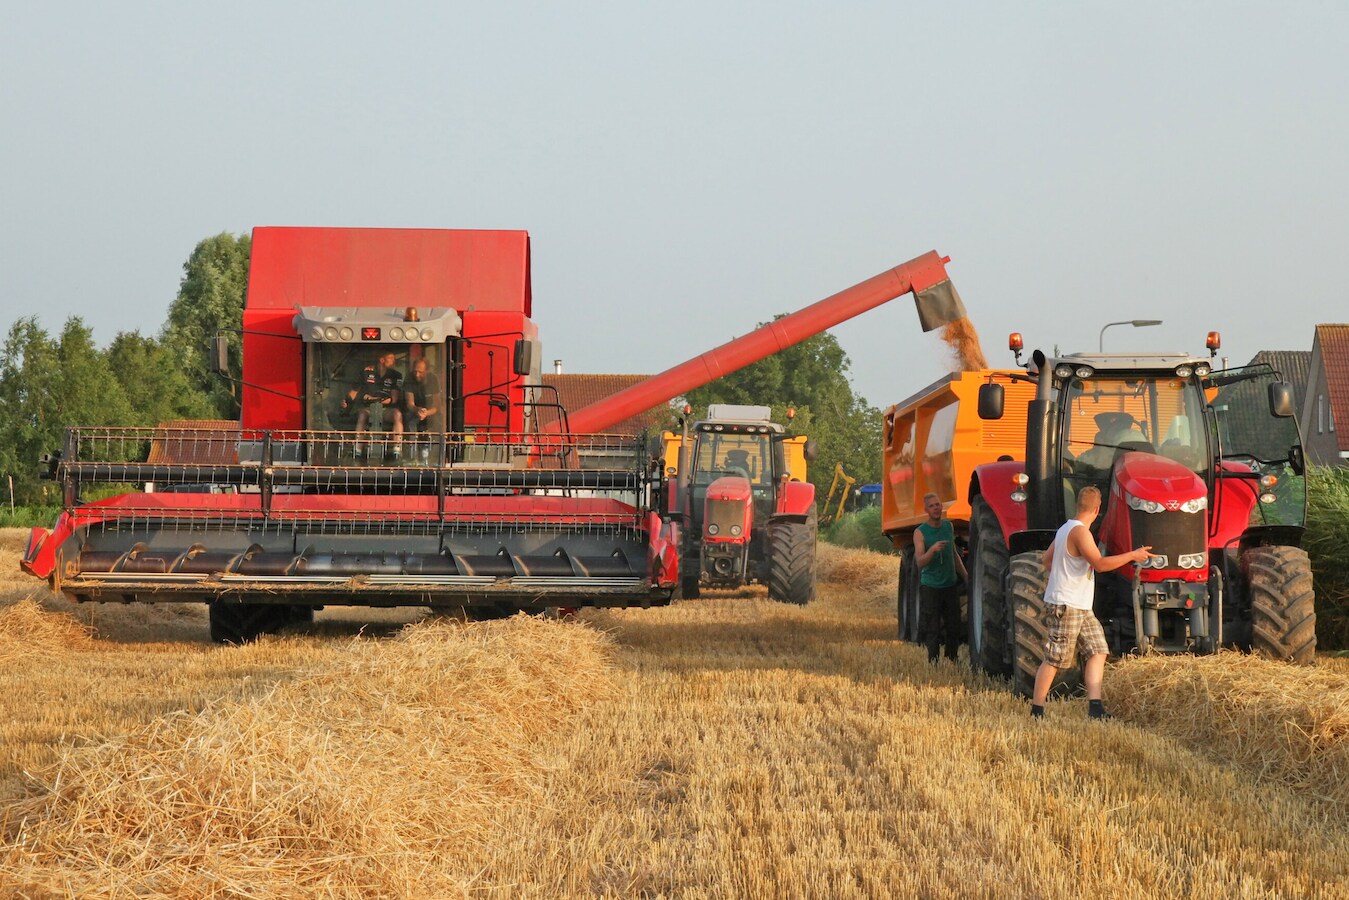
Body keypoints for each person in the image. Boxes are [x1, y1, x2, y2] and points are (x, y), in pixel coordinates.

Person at [1032, 485, 1152, 719]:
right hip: (1067, 605)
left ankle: (1095, 709)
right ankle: (1037, 710)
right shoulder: (1079, 532)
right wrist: (1132, 555)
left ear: (1079, 505)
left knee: (1098, 650)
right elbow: (1100, 564)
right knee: (1055, 658)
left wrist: (1063, 574)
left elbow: (1046, 561)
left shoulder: (1064, 529)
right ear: (1097, 510)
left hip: (1081, 605)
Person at [913, 492, 967, 664]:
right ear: (926, 510)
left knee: (954, 625)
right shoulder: (920, 533)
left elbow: (953, 554)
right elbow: (920, 562)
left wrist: (965, 575)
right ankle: (933, 660)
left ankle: (952, 657)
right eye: (932, 506)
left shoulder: (948, 527)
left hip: (949, 584)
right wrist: (933, 550)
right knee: (933, 627)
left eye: (937, 504)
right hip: (931, 586)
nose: (936, 508)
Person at [344, 350, 404, 459]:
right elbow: (354, 391)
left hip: (386, 408)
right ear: (382, 360)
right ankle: (358, 449)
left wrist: (378, 399)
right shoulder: (366, 372)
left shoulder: (396, 375)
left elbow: (394, 398)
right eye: (390, 358)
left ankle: (397, 449)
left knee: (397, 414)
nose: (393, 361)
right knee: (362, 415)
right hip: (368, 408)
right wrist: (346, 401)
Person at [404, 357, 444, 460]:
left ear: (427, 371)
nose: (417, 375)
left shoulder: (433, 379)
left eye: (420, 372)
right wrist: (418, 410)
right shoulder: (409, 378)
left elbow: (437, 405)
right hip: (415, 410)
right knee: (410, 421)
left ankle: (436, 455)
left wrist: (427, 413)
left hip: (431, 411)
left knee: (438, 420)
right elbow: (410, 403)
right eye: (415, 371)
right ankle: (412, 455)